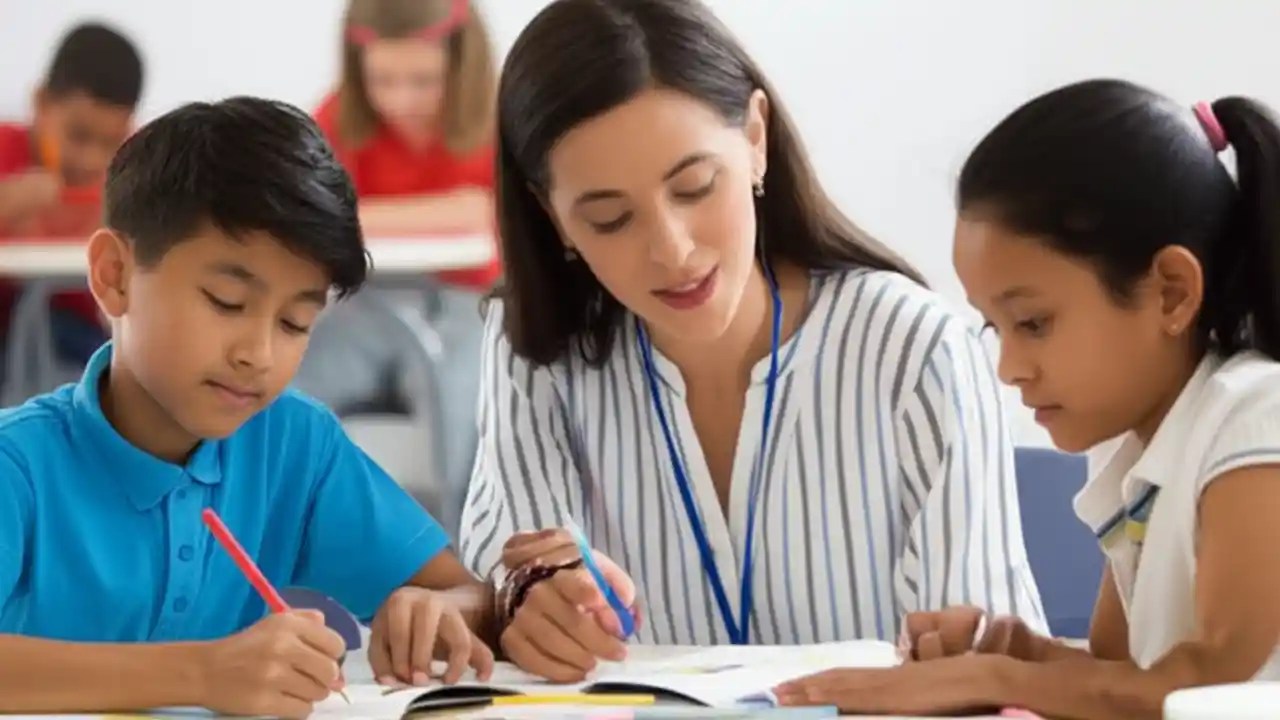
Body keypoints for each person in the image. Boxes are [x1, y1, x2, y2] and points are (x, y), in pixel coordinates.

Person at [458, 0, 1046, 683]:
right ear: (550, 216)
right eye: (610, 219)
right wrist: (523, 608)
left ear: (757, 137)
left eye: (696, 186)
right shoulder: (534, 353)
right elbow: (512, 588)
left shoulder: (913, 349)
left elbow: (983, 678)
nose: (671, 251)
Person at [772, 79, 1280, 719]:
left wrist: (987, 679)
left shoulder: (1256, 421)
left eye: (1033, 323)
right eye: (994, 328)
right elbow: (1123, 679)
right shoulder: (1139, 461)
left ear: (1172, 292)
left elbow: (1204, 688)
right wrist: (1017, 654)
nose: (1009, 369)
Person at [0, 97, 495, 718]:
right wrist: (201, 673)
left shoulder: (294, 447)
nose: (258, 354)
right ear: (114, 275)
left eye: (294, 322)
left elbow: (468, 596)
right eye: (227, 301)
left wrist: (439, 610)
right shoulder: (18, 467)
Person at [297, 0, 499, 533]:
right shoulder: (338, 117)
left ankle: (463, 557)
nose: (400, 100)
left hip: (469, 308)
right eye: (383, 80)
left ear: (459, 65)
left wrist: (359, 213)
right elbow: (304, 212)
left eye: (422, 80)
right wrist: (448, 208)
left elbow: (482, 217)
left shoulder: (503, 116)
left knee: (462, 399)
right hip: (369, 301)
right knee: (284, 377)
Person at [0, 22, 143, 389]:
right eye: (78, 136)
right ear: (42, 104)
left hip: (74, 338)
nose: (91, 160)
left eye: (110, 142)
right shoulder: (6, 150)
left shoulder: (133, 173)